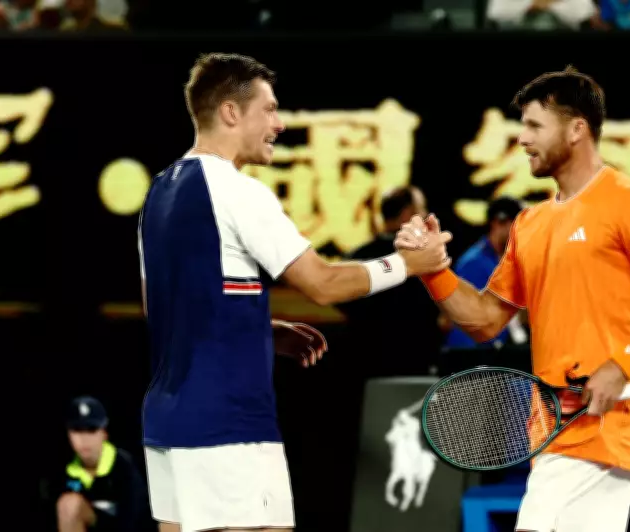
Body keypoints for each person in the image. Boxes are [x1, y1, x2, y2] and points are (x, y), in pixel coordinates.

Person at [136, 53, 451, 532]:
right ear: (230, 112)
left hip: (167, 422)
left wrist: (256, 328)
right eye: (269, 109)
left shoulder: (159, 192)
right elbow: (322, 284)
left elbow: (162, 307)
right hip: (228, 427)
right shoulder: (238, 192)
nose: (279, 124)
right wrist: (407, 264)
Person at [395, 67, 630, 532]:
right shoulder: (530, 224)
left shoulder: (629, 201)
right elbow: (484, 320)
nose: (522, 139)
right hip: (552, 432)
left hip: (602, 431)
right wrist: (433, 271)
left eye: (534, 125)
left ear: (577, 129)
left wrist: (622, 364)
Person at [336, 185, 442, 376]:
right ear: (408, 214)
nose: (426, 216)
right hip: (414, 367)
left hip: (363, 366)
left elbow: (339, 299)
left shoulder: (356, 258)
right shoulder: (423, 260)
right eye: (421, 210)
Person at [445, 196, 527, 349]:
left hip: (495, 354)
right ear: (498, 223)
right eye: (519, 225)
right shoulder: (473, 263)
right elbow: (468, 322)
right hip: (473, 359)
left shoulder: (504, 262)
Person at [56, 396, 149, 532]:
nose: (84, 438)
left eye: (92, 429)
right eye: (77, 430)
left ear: (104, 432)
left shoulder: (125, 467)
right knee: (68, 505)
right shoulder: (64, 472)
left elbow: (137, 520)